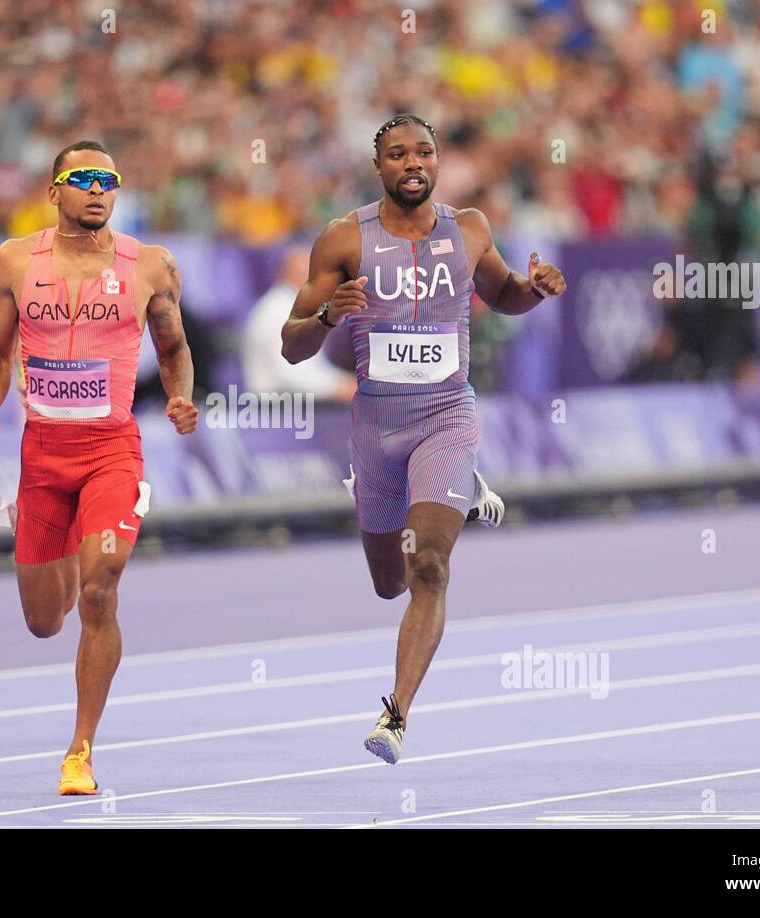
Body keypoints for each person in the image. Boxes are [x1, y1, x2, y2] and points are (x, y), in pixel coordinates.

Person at [280, 114, 566, 763]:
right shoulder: (344, 238)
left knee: (430, 566)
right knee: (390, 582)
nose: (413, 163)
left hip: (446, 417)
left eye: (425, 152)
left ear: (438, 162)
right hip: (377, 431)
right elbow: (291, 347)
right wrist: (328, 315)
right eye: (398, 154)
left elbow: (506, 297)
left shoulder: (468, 230)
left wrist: (534, 290)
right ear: (378, 166)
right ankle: (430, 493)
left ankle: (395, 717)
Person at [0, 140, 197, 795]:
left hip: (111, 454)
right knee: (44, 620)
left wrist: (181, 396)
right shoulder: (14, 261)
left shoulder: (151, 265)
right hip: (42, 458)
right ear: (55, 191)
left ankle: (80, 750)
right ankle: (63, 539)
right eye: (85, 179)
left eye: (110, 180)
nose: (99, 189)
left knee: (99, 591)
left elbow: (175, 347)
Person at [243, 244, 357, 403]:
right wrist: (341, 387)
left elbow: (313, 370)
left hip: (295, 406)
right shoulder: (278, 310)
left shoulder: (295, 306)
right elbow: (289, 375)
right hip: (274, 412)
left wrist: (346, 383)